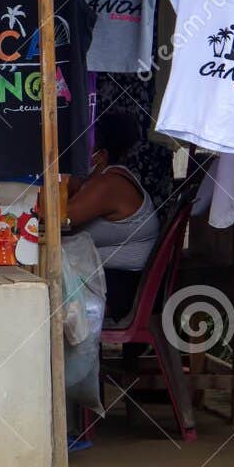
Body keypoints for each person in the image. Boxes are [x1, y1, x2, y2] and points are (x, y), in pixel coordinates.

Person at [67, 113, 161, 323]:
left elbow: (61, 217)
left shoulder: (109, 184)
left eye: (82, 149)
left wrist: (68, 177)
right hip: (119, 280)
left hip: (123, 288)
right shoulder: (107, 179)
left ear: (100, 156)